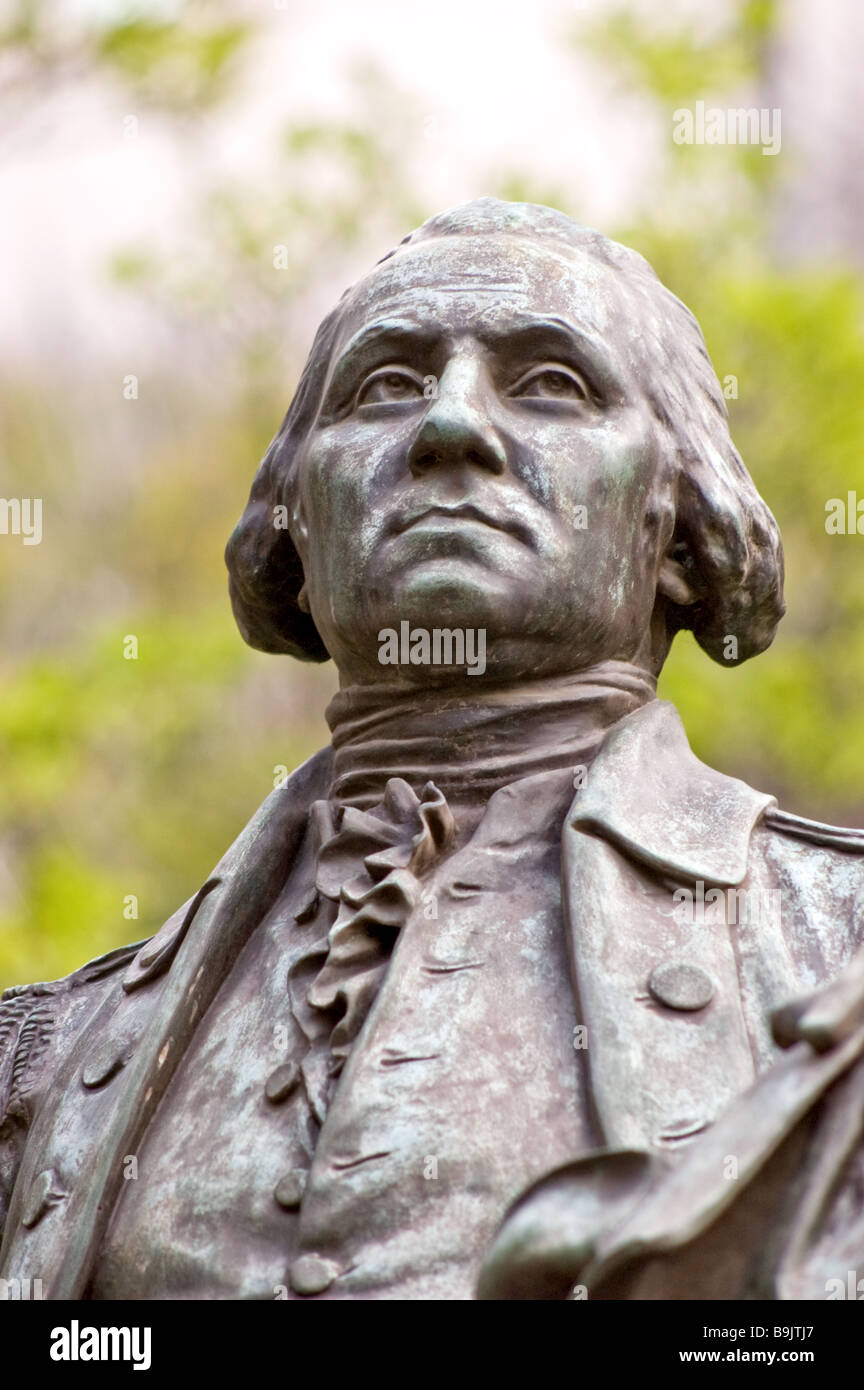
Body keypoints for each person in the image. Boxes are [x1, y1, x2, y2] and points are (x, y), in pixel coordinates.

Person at [2, 199, 862, 1301]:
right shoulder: (48, 1059)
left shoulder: (839, 955)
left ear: (684, 528)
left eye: (552, 382)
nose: (450, 425)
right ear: (291, 529)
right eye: (385, 385)